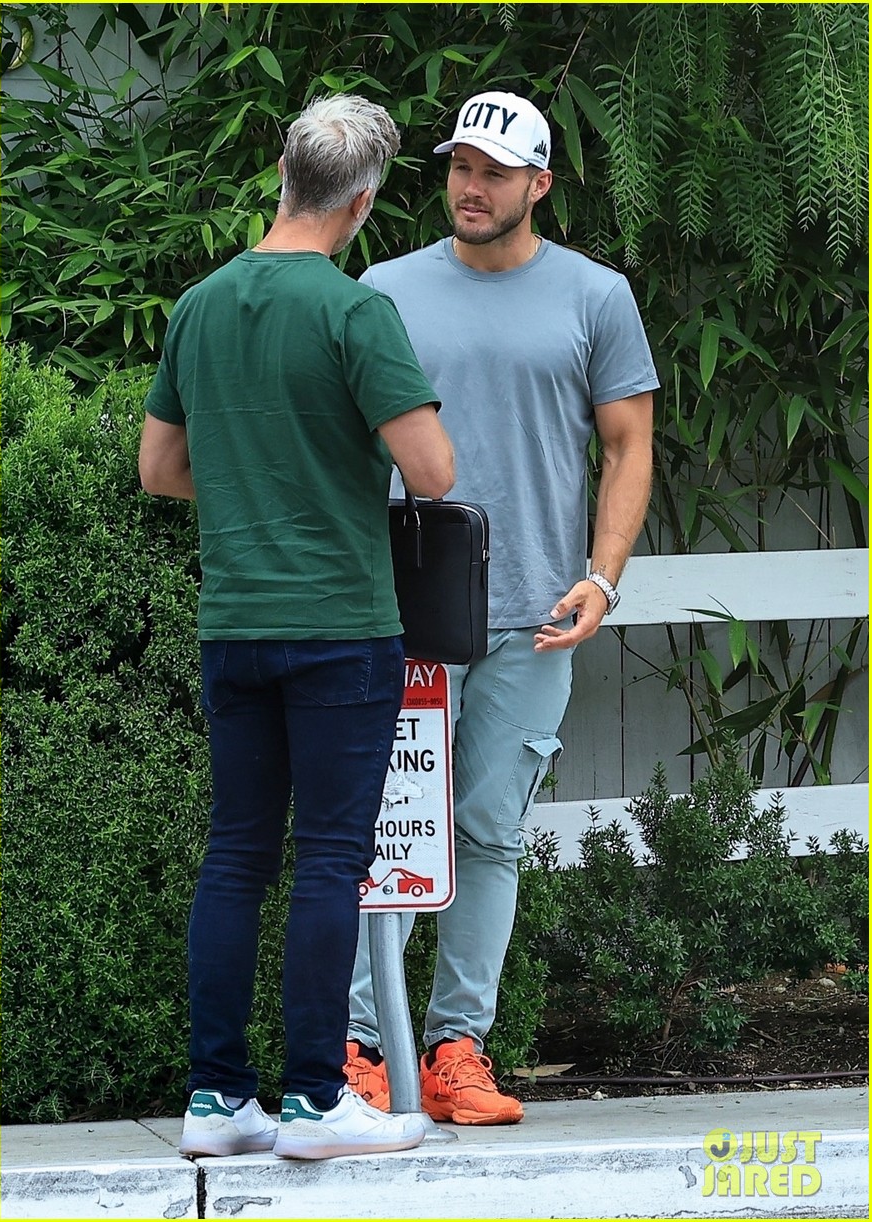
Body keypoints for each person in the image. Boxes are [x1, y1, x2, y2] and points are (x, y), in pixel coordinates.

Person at [138, 93, 455, 1160]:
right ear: (361, 202)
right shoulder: (355, 311)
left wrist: (256, 488)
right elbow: (432, 471)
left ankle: (216, 1102)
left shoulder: (199, 304)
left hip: (233, 624)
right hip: (338, 624)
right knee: (329, 858)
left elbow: (159, 470)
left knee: (235, 855)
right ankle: (317, 1102)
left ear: (284, 175)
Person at [344, 90, 659, 1125]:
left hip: (533, 611)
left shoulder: (594, 295)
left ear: (539, 184)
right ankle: (361, 1049)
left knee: (484, 830)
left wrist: (602, 576)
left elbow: (626, 446)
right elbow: (339, 440)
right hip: (397, 609)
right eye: (457, 167)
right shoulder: (380, 288)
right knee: (384, 827)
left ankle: (453, 1049)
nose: (469, 188)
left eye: (492, 171)